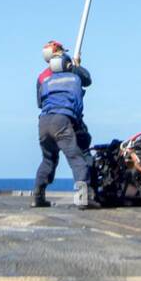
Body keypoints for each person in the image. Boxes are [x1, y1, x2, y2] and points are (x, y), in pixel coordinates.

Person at [32, 40, 95, 209]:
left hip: (44, 121)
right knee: (78, 157)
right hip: (64, 120)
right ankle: (85, 196)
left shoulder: (44, 80)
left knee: (48, 160)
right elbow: (86, 82)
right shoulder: (73, 77)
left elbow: (40, 102)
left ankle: (37, 196)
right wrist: (76, 66)